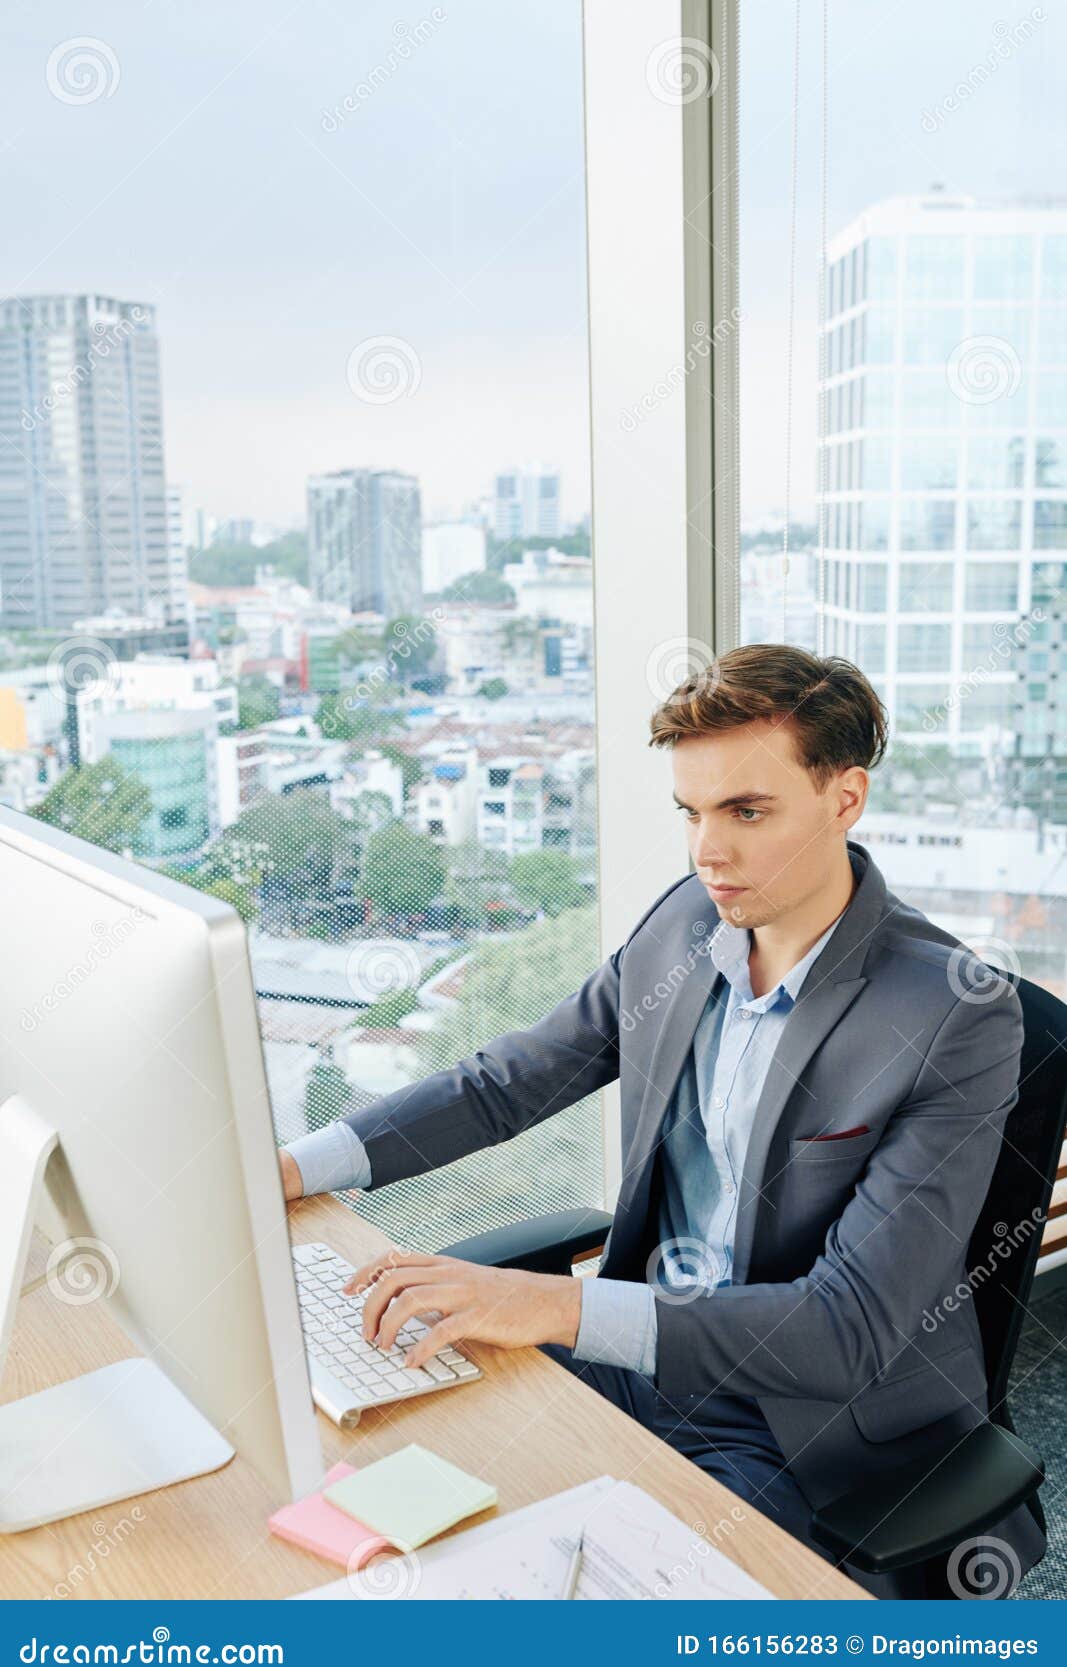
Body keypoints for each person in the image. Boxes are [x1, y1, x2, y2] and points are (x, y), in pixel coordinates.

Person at [280, 644, 1045, 1598]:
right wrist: (293, 1169)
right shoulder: (690, 921)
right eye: (691, 811)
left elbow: (845, 1328)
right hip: (635, 1361)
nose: (706, 851)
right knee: (399, 1511)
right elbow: (505, 1081)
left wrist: (553, 1306)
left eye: (746, 812)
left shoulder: (949, 1015)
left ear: (844, 799)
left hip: (804, 1425)